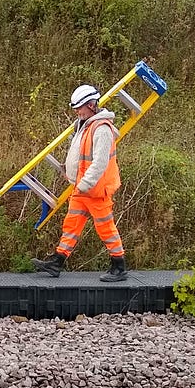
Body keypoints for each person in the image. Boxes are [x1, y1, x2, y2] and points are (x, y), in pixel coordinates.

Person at [32, 84, 129, 282]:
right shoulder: (84, 125)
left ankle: (119, 266)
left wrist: (84, 184)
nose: (77, 111)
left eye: (79, 108)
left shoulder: (101, 129)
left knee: (106, 228)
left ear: (91, 105)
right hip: (82, 188)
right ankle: (57, 262)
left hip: (95, 190)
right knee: (71, 225)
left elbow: (100, 163)